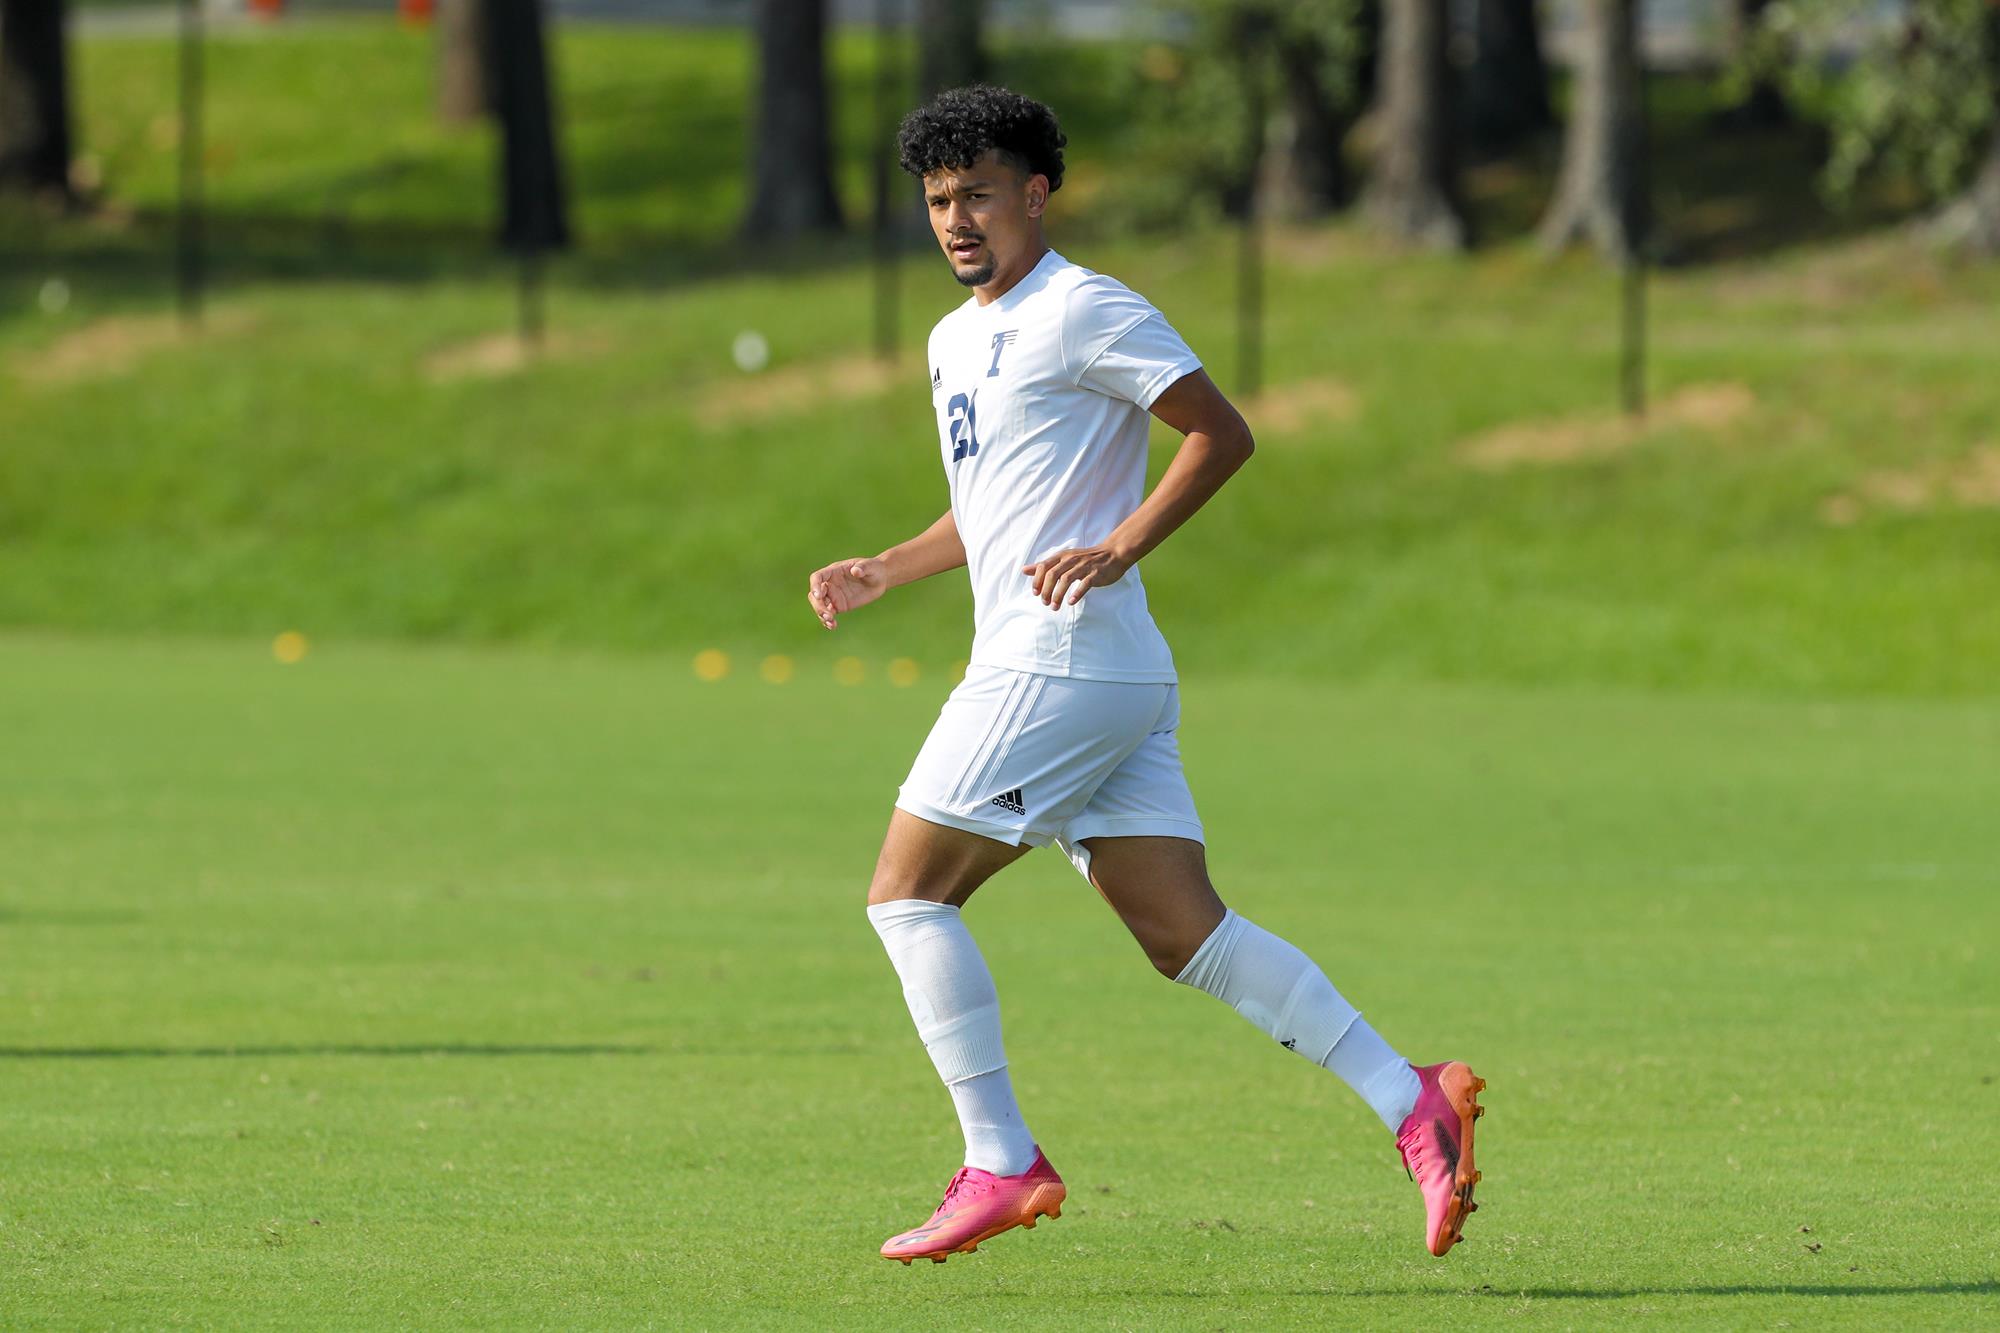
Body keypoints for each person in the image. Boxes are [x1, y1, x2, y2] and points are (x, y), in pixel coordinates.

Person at [806, 85, 1485, 1267]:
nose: (955, 219)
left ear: (1035, 192)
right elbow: (997, 506)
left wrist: (1122, 543)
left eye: (975, 194)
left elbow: (1220, 433)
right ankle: (1409, 1098)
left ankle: (1000, 1158)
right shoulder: (951, 339)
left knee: (904, 896)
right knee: (1184, 933)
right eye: (934, 200)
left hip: (1054, 659)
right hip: (1107, 675)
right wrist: (891, 567)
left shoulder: (1083, 308)